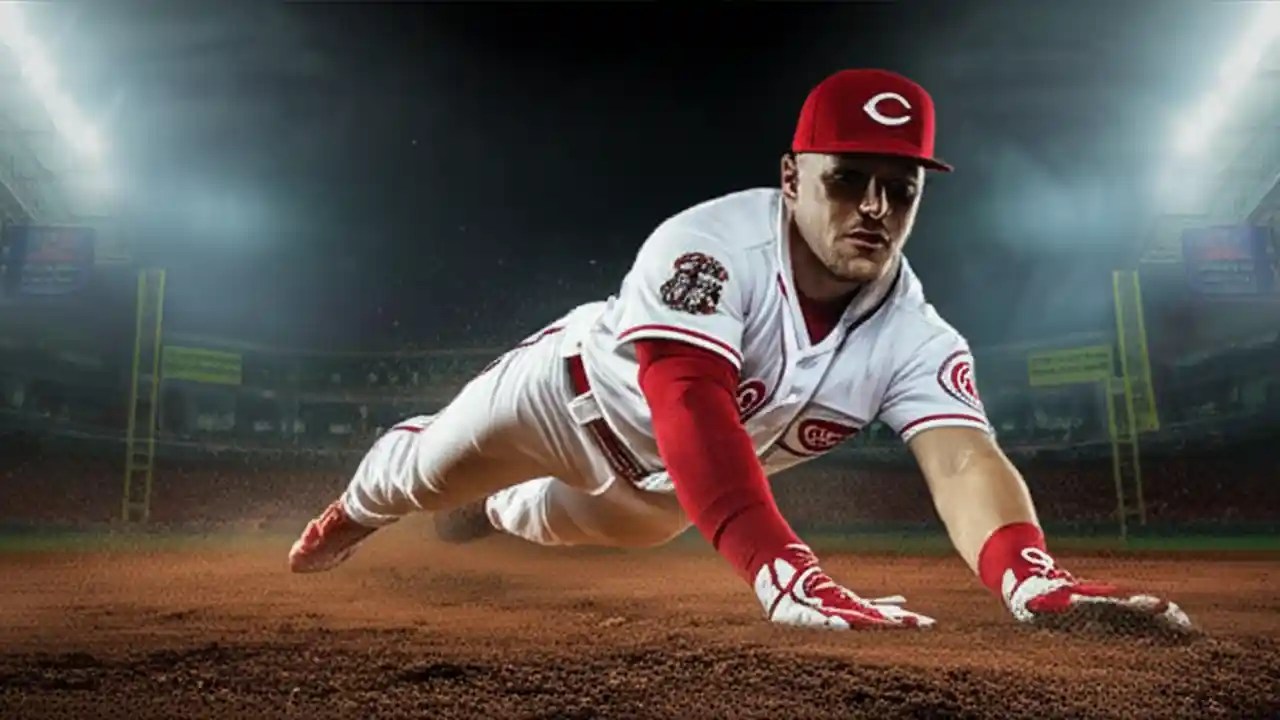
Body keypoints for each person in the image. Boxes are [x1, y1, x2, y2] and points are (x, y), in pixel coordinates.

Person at [289, 69, 1190, 632]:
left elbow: (961, 462)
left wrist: (1024, 573)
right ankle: (354, 512)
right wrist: (777, 566)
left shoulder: (916, 331)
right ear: (792, 177)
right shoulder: (710, 246)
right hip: (561, 400)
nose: (874, 207)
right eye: (848, 179)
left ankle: (492, 514)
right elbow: (688, 400)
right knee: (414, 479)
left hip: (672, 497)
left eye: (899, 187)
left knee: (544, 521)